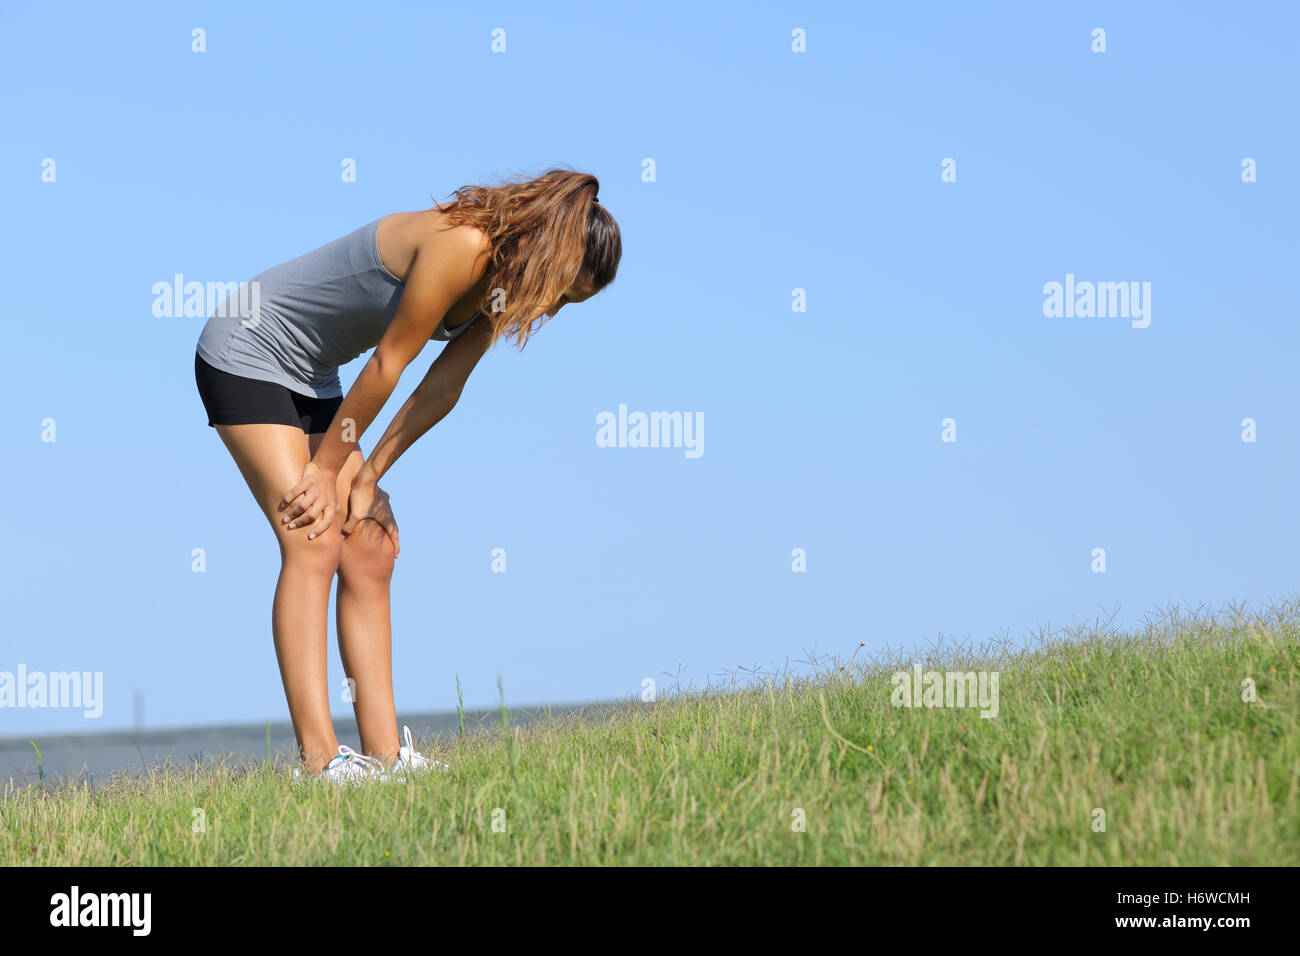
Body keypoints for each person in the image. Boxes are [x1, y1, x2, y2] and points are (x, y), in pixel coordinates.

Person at [193, 168, 621, 782]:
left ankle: (387, 758)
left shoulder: (503, 283)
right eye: (561, 292)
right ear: (550, 253)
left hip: (313, 375)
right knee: (311, 536)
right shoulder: (463, 246)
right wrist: (328, 470)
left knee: (369, 547)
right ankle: (319, 763)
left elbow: (443, 386)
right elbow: (390, 364)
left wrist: (370, 477)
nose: (551, 308)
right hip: (249, 348)